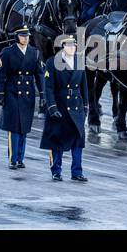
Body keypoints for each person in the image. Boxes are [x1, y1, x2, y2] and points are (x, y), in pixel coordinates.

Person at [41, 34, 90, 181]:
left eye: (74, 45)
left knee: (78, 140)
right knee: (57, 140)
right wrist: (52, 107)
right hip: (60, 105)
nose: (72, 48)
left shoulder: (79, 61)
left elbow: (84, 86)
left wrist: (86, 105)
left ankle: (77, 172)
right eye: (69, 45)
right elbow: (48, 88)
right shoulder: (52, 62)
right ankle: (56, 171)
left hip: (76, 106)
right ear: (63, 47)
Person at [0, 26, 41, 169]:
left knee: (24, 129)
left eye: (27, 36)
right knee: (14, 128)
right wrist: (0, 94)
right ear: (17, 37)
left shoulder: (34, 53)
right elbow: (0, 74)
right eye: (22, 36)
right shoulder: (8, 53)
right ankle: (13, 159)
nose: (25, 38)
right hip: (12, 92)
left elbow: (39, 75)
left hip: (27, 94)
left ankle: (20, 158)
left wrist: (43, 94)